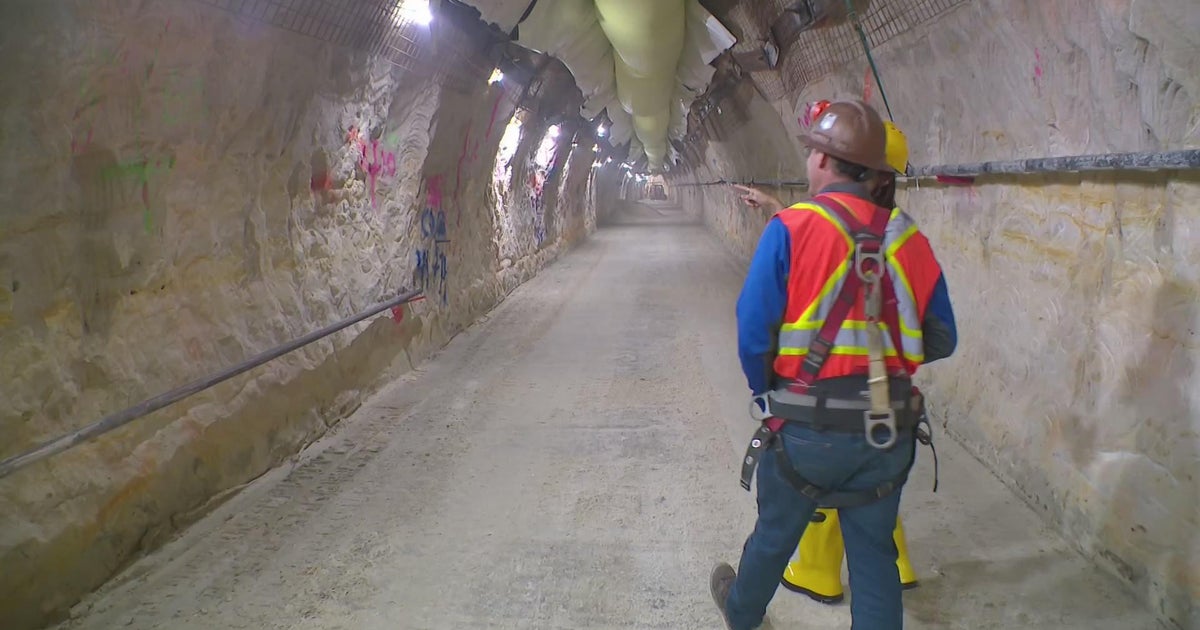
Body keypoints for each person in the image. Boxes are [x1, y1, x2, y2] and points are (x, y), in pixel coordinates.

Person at [711, 100, 957, 630]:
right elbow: (942, 336)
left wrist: (768, 392)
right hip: (886, 430)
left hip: (806, 430)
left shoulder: (791, 227)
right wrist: (889, 357)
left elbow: (754, 330)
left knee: (775, 536)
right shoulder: (908, 238)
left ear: (823, 161)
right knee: (873, 559)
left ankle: (742, 613)